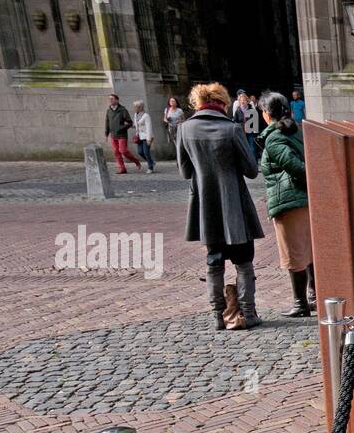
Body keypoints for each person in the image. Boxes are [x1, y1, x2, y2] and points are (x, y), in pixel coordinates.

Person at [176, 81, 264, 331]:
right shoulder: (232, 129)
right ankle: (247, 313)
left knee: (214, 262)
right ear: (223, 103)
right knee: (243, 262)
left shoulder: (185, 129)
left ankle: (217, 316)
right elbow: (251, 170)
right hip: (235, 204)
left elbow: (185, 171)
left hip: (206, 207)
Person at [258, 91, 315, 318]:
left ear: (266, 113)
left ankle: (301, 303)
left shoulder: (274, 137)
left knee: (294, 253)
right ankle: (313, 296)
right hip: (305, 199)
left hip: (289, 202)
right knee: (308, 250)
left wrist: (310, 180)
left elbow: (296, 166)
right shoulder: (297, 132)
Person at [103, 94, 143, 174]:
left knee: (123, 151)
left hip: (122, 135)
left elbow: (130, 122)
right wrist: (106, 134)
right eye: (109, 99)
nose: (110, 100)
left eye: (112, 99)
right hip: (113, 135)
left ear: (117, 100)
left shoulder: (123, 110)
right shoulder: (108, 111)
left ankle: (136, 161)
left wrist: (122, 127)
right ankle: (122, 169)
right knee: (116, 152)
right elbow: (107, 122)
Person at [132, 100, 155, 174]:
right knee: (140, 152)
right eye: (134, 107)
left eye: (135, 107)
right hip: (139, 137)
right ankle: (151, 161)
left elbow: (149, 127)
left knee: (146, 152)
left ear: (140, 107)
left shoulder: (146, 116)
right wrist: (131, 125)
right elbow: (136, 125)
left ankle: (150, 167)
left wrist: (149, 139)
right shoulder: (136, 115)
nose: (134, 108)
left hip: (146, 136)